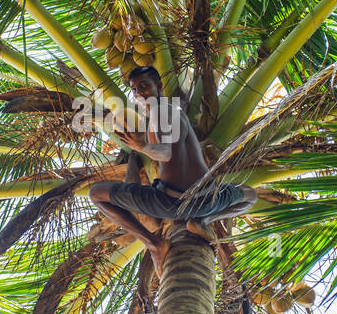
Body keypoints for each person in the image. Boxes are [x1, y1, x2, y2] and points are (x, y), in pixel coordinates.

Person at [89, 65, 257, 268]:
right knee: (249, 195)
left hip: (171, 203)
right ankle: (203, 221)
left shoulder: (163, 112)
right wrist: (137, 157)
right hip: (208, 198)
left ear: (158, 85)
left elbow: (167, 152)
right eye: (134, 89)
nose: (139, 93)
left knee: (96, 194)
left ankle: (153, 244)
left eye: (144, 86)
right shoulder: (168, 112)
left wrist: (142, 146)